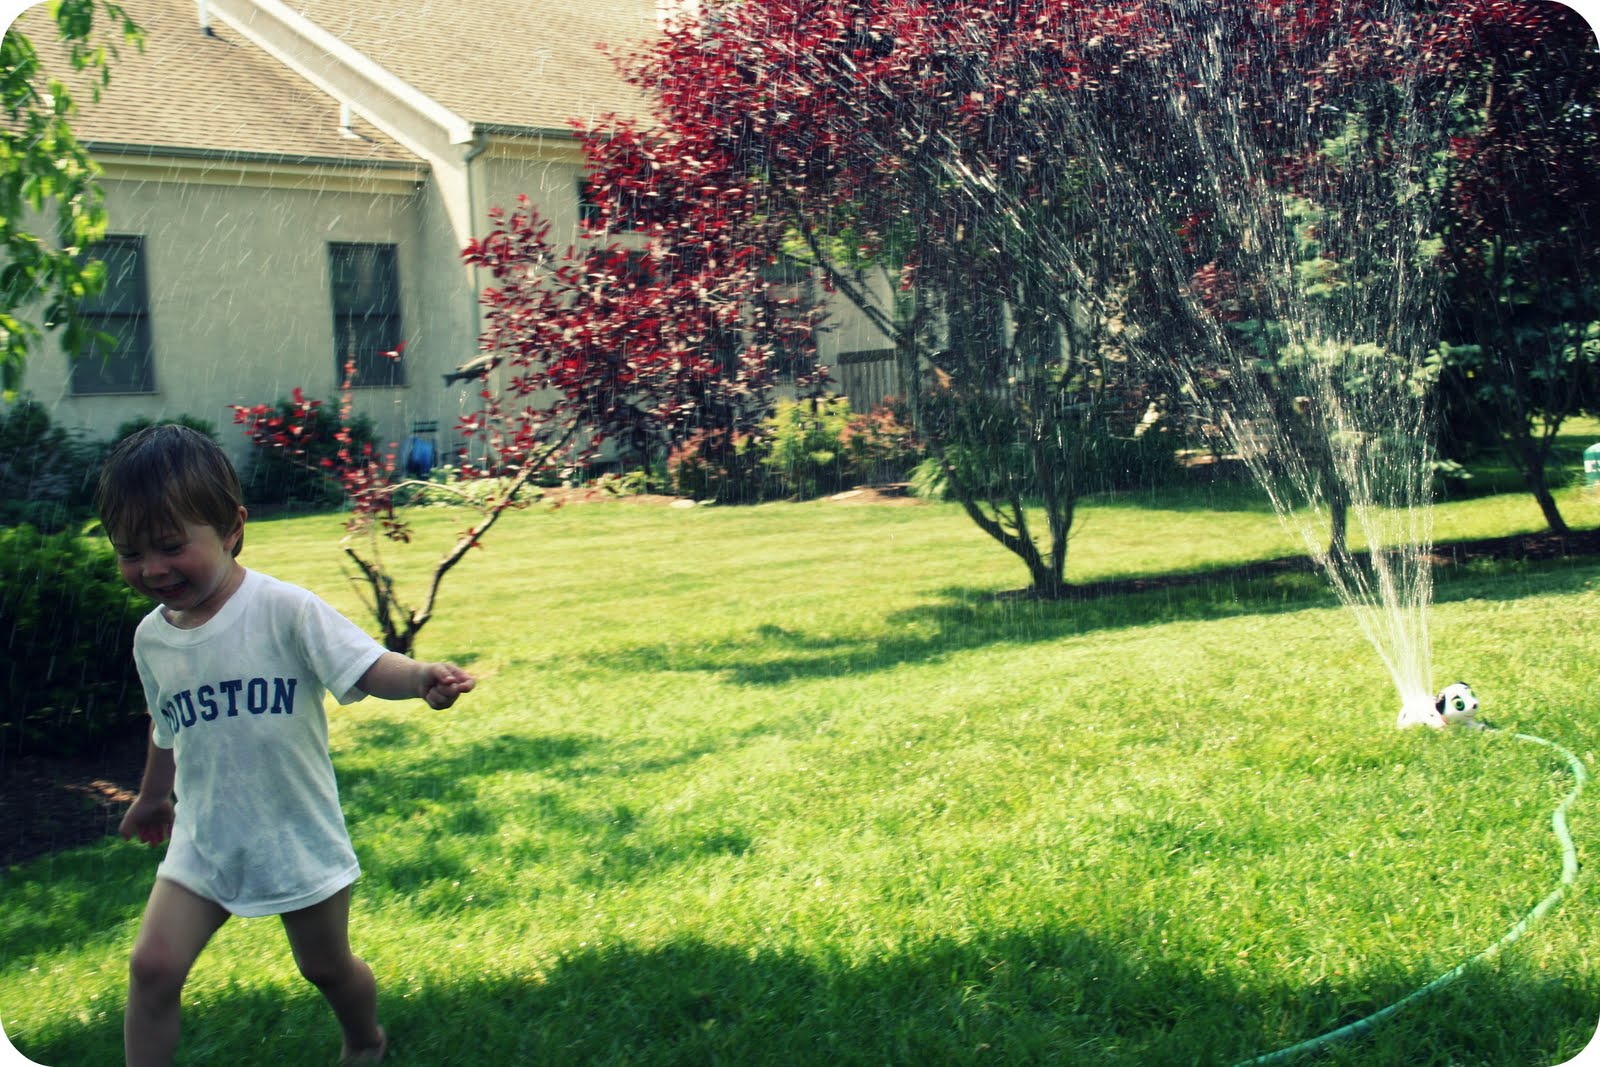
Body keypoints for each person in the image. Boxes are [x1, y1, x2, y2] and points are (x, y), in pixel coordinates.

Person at [96, 424, 475, 1067]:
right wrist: (154, 796)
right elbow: (166, 724)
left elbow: (364, 664)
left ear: (233, 530)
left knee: (325, 968)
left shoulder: (285, 611)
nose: (152, 569)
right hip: (205, 839)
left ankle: (365, 1040)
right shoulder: (151, 639)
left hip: (294, 833)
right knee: (152, 967)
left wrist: (419, 679)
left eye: (169, 546)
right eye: (130, 552)